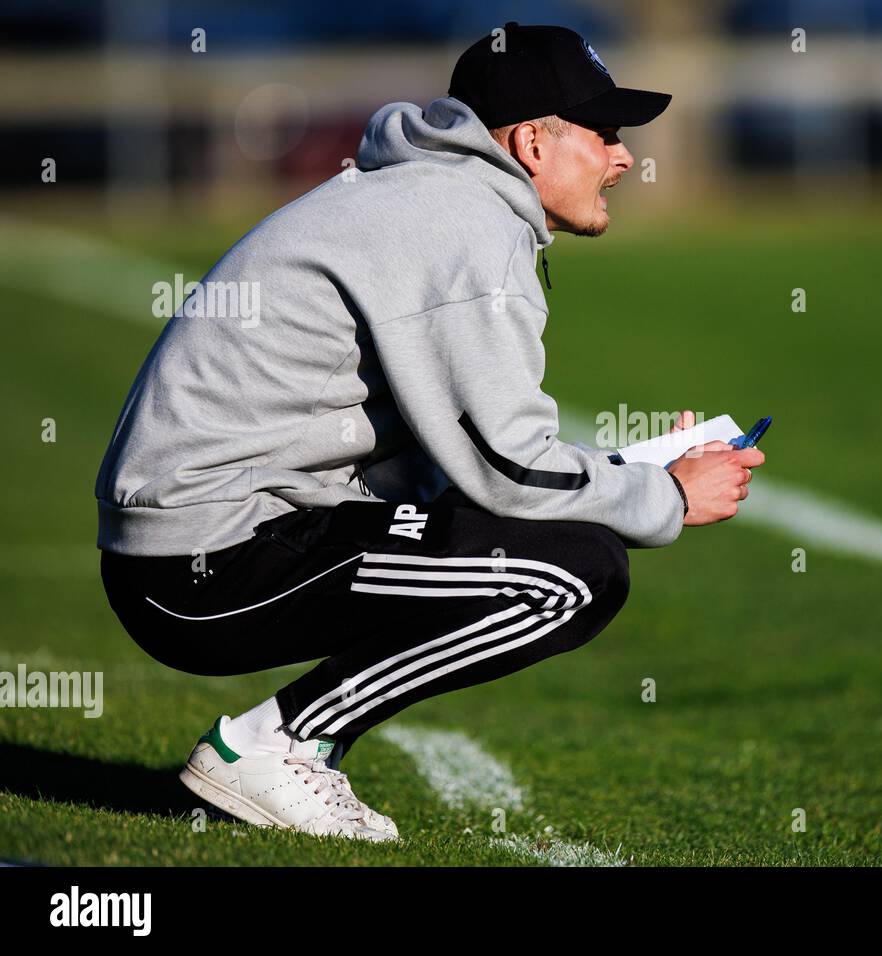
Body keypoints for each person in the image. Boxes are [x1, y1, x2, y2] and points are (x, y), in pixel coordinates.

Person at [95, 23, 764, 842]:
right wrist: (660, 494)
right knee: (575, 574)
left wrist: (630, 469)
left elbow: (469, 462)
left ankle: (284, 744)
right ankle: (275, 746)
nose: (623, 158)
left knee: (556, 544)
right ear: (529, 143)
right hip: (198, 570)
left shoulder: (429, 196)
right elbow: (505, 469)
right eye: (606, 134)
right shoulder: (464, 224)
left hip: (201, 540)